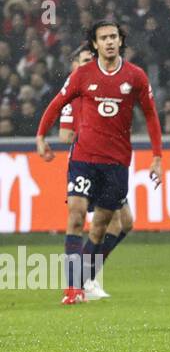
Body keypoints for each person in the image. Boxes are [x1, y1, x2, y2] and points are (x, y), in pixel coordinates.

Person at [35, 21, 163, 304]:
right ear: (94, 44)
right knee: (76, 215)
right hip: (84, 158)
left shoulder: (136, 76)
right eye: (103, 38)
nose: (109, 42)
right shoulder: (82, 75)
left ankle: (82, 280)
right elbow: (58, 102)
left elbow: (152, 115)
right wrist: (41, 134)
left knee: (101, 227)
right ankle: (72, 288)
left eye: (113, 37)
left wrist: (157, 157)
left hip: (116, 162)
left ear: (121, 41)